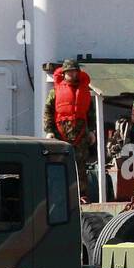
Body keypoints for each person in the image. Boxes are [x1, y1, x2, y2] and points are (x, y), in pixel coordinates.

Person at [42, 59, 94, 194]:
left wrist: (91, 131)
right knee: (59, 165)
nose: (72, 74)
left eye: (74, 71)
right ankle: (59, 194)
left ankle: (82, 195)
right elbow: (48, 111)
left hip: (81, 135)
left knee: (81, 166)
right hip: (60, 134)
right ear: (64, 73)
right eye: (69, 72)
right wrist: (49, 131)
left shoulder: (85, 91)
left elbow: (90, 112)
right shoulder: (55, 91)